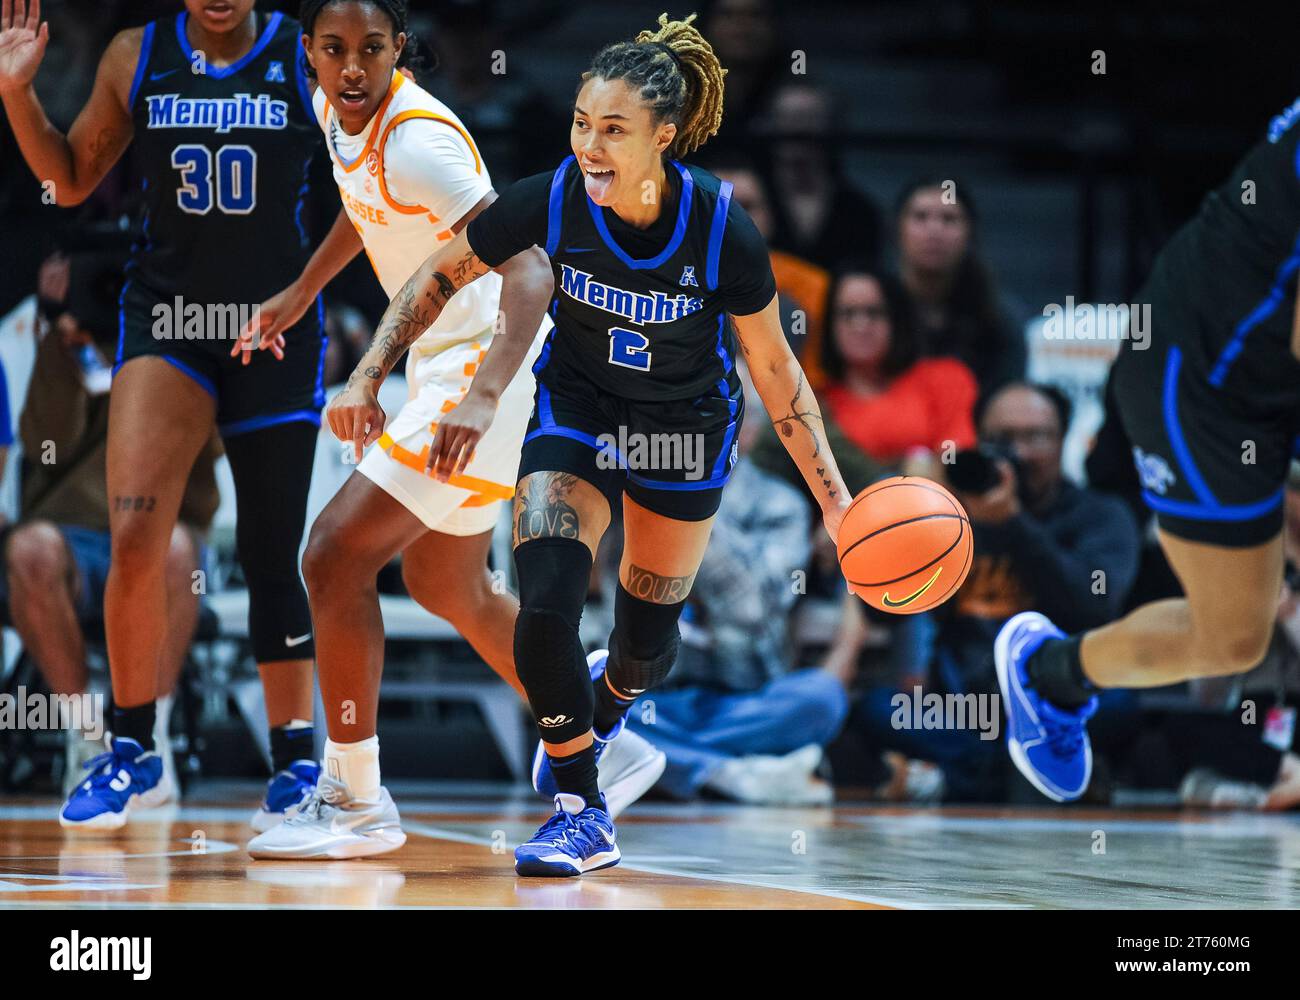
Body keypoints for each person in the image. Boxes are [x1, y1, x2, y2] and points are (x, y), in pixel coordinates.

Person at [309, 13, 851, 876]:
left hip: (683, 433)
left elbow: (779, 377)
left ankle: (612, 700)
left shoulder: (720, 229)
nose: (589, 144)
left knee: (644, 644)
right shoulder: (555, 194)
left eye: (613, 129)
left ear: (663, 138)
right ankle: (580, 808)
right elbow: (439, 273)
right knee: (545, 602)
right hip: (579, 411)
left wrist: (842, 509)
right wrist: (371, 372)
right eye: (580, 123)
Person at [243, 0, 664, 861]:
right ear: (309, 53)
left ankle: (355, 797)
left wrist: (483, 396)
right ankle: (600, 745)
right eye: (334, 50)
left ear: (402, 49)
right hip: (443, 356)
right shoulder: (335, 109)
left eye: (372, 50)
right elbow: (366, 210)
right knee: (444, 582)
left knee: (331, 555)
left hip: (487, 360)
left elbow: (531, 266)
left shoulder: (419, 143)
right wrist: (299, 291)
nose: (353, 68)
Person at [0, 0, 327, 830]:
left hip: (275, 324)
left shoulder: (307, 52)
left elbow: (371, 189)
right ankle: (128, 749)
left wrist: (312, 291)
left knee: (269, 546)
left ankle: (296, 760)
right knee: (136, 531)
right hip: (169, 317)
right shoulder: (134, 55)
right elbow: (68, 179)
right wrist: (16, 94)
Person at [996, 93, 1300, 802]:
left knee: (1234, 640)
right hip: (1197, 381)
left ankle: (1054, 675)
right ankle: (1049, 677)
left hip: (1262, 370)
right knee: (1232, 638)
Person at [2, 250, 216, 794]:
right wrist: (69, 354)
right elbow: (44, 445)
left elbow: (206, 448)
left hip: (156, 531)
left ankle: (152, 738)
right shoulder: (60, 345)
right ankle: (89, 738)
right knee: (29, 551)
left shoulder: (180, 339)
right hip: (74, 536)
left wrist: (155, 363)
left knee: (175, 554)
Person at [819, 264, 977, 478]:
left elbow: (957, 461)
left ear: (897, 319)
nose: (860, 325)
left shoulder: (946, 378)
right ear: (830, 325)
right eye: (847, 314)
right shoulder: (814, 399)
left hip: (937, 505)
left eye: (874, 313)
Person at [894, 177, 1027, 395]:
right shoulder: (873, 304)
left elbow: (1007, 401)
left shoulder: (999, 318)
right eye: (920, 217)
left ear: (970, 234)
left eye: (949, 219)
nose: (934, 230)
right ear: (898, 229)